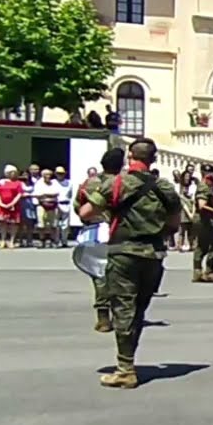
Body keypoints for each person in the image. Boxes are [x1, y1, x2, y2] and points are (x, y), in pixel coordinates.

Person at [77, 138, 181, 389]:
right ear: (154, 159)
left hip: (123, 253)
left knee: (123, 309)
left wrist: (112, 213)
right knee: (138, 311)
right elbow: (175, 223)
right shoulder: (164, 187)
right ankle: (128, 360)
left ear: (129, 156)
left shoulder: (117, 184)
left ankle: (125, 369)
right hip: (153, 254)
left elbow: (85, 213)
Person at [76, 148, 126, 333]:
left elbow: (78, 206)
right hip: (118, 231)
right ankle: (121, 314)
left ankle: (103, 317)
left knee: (99, 275)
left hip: (94, 230)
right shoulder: (125, 182)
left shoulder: (89, 183)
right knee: (121, 275)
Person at [192, 165, 213, 282]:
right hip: (205, 219)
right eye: (208, 172)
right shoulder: (204, 187)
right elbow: (202, 205)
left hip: (204, 219)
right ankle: (208, 271)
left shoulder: (209, 186)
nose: (212, 174)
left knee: (202, 245)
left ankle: (198, 272)